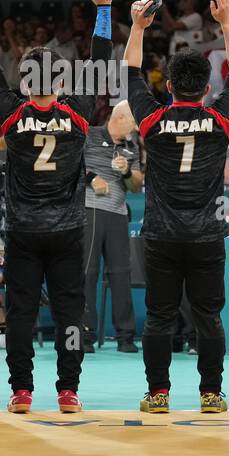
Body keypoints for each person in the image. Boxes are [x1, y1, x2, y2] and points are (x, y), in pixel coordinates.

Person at [0, 0, 115, 414]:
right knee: (70, 312)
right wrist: (103, 10)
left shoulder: (11, 112)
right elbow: (101, 61)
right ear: (62, 83)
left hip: (25, 231)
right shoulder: (80, 112)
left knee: (21, 312)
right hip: (67, 231)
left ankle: (22, 391)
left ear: (27, 83)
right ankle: (68, 391)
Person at [126, 0, 229, 414]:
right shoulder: (220, 119)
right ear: (208, 89)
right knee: (208, 316)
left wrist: (138, 28)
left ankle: (158, 393)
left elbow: (131, 73)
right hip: (207, 237)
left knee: (160, 316)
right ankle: (211, 393)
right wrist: (226, 22)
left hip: (161, 235)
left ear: (170, 87)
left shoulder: (152, 120)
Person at [81, 100, 144, 353]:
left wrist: (127, 172)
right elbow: (69, 164)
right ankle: (84, 335)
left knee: (121, 274)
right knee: (88, 272)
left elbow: (137, 186)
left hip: (118, 214)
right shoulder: (89, 135)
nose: (137, 129)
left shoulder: (131, 146)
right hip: (90, 210)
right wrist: (91, 178)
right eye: (134, 122)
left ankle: (125, 337)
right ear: (120, 118)